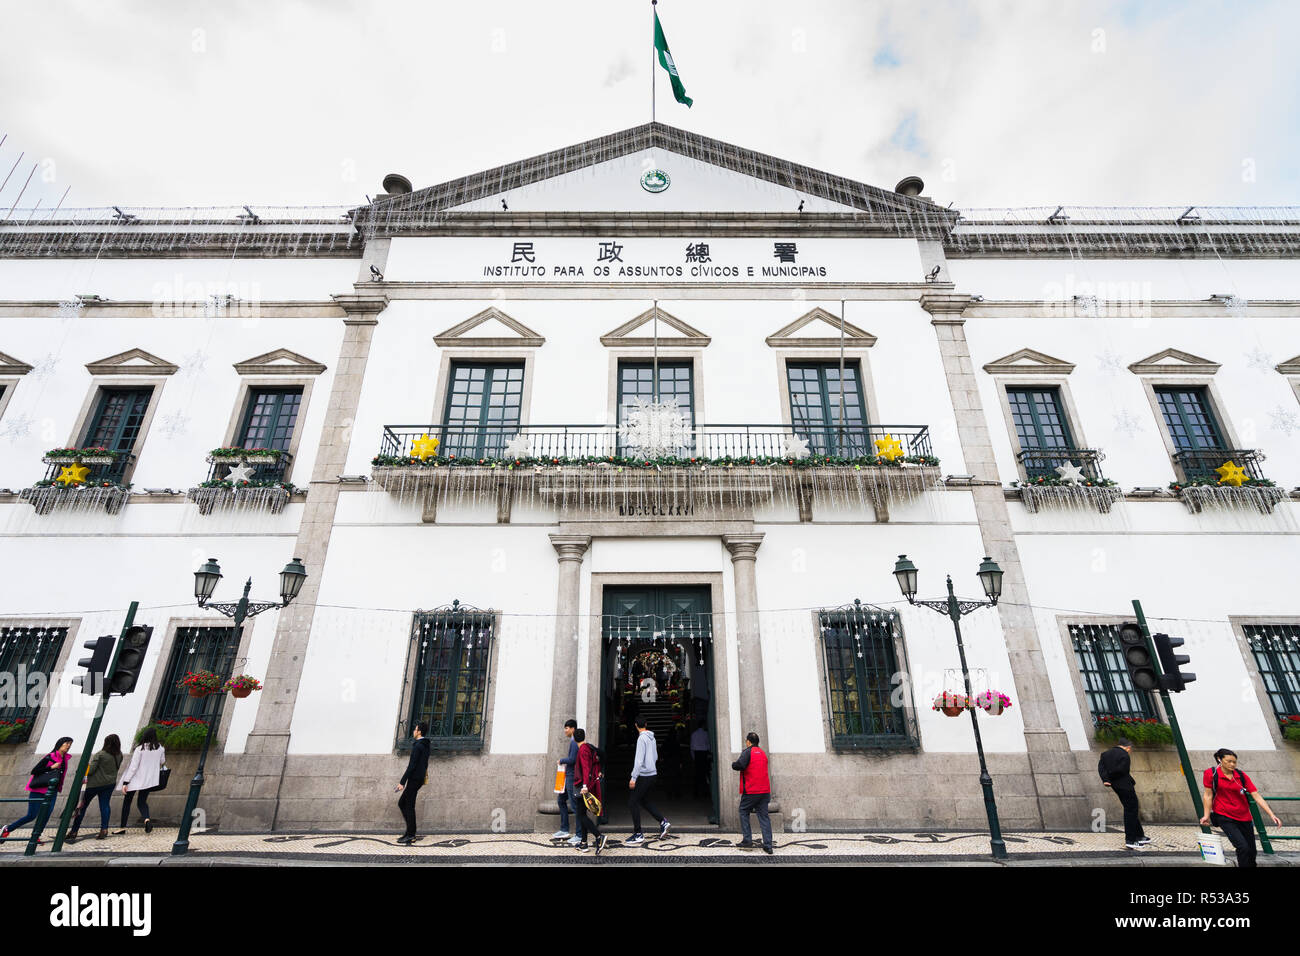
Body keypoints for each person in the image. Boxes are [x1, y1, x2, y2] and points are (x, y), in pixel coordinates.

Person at [1199, 748, 1282, 868]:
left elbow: (1256, 795)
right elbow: (1208, 795)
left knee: (1251, 851)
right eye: (1229, 761)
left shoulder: (1241, 776)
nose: (1232, 764)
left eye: (1234, 762)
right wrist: (1206, 815)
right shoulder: (1211, 773)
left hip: (1244, 817)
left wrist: (1271, 814)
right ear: (1219, 760)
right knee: (1242, 847)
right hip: (1224, 816)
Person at [1, 736, 73, 844]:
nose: (68, 746)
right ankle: (7, 829)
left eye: (70, 744)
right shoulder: (50, 756)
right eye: (66, 743)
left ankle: (36, 836)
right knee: (31, 815)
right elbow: (34, 771)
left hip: (52, 791)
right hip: (38, 790)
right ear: (60, 743)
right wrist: (51, 768)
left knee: (46, 816)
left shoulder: (65, 759)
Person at [68, 734, 123, 843]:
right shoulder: (119, 755)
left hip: (94, 784)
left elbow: (91, 770)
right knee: (105, 806)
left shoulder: (100, 754)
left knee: (82, 806)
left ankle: (74, 831)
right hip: (109, 784)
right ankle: (104, 829)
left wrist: (84, 768)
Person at [1098, 737, 1150, 850]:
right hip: (1125, 786)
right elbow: (1122, 770)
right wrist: (1111, 777)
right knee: (1131, 810)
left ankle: (1139, 835)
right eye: (1130, 749)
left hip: (1116, 786)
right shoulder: (1124, 755)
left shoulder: (1105, 754)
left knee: (1131, 809)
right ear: (1128, 747)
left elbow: (1101, 768)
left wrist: (1106, 779)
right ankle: (1130, 840)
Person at [627, 716, 669, 844]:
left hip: (644, 775)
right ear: (646, 724)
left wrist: (633, 777)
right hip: (653, 774)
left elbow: (639, 760)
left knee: (632, 802)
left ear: (635, 725)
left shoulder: (641, 739)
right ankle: (663, 821)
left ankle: (638, 833)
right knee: (644, 800)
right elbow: (655, 756)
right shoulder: (652, 738)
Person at [117, 727, 166, 834]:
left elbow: (133, 767)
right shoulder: (161, 748)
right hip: (148, 781)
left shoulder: (140, 749)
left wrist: (126, 782)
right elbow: (162, 761)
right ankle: (147, 820)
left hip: (135, 780)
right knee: (142, 802)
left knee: (127, 803)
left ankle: (122, 828)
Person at [732, 731, 773, 855]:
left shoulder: (747, 752)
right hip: (764, 791)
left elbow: (740, 765)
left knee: (743, 811)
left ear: (748, 741)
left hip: (751, 790)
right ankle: (768, 845)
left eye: (746, 741)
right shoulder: (763, 753)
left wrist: (733, 764)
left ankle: (747, 840)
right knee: (764, 817)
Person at [571, 728, 608, 855]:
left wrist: (585, 785)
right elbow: (600, 755)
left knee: (581, 815)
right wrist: (600, 770)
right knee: (582, 815)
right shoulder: (589, 747)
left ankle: (599, 836)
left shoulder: (582, 750)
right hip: (587, 784)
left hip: (582, 786)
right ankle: (584, 843)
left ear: (574, 738)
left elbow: (586, 768)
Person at [395, 721, 430, 845]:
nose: (413, 731)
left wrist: (402, 782)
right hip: (418, 779)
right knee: (403, 803)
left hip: (414, 779)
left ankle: (411, 834)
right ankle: (409, 832)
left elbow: (412, 766)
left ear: (419, 731)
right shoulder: (425, 745)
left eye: (415, 729)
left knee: (407, 805)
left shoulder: (418, 746)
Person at [554, 718, 582, 845]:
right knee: (561, 800)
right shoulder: (573, 741)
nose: (565, 730)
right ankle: (564, 829)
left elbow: (572, 760)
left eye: (566, 728)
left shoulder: (574, 742)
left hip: (571, 777)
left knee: (575, 806)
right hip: (568, 776)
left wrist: (562, 760)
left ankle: (579, 835)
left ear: (572, 729)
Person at [690, 721, 711, 798]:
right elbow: (708, 745)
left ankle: (696, 792)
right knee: (705, 774)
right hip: (704, 754)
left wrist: (693, 757)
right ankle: (705, 792)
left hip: (697, 755)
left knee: (697, 774)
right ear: (703, 725)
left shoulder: (694, 734)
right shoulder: (705, 734)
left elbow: (692, 747)